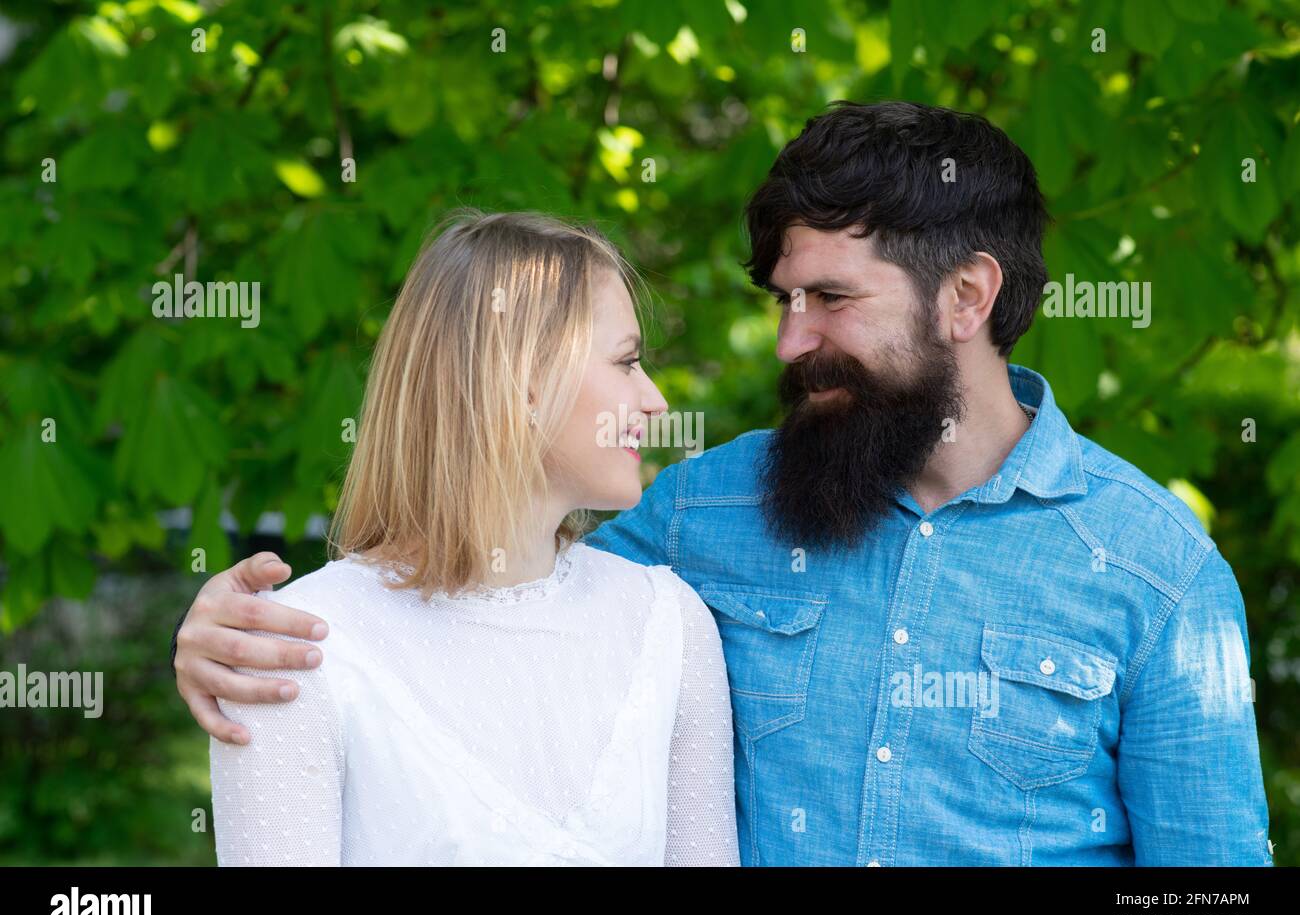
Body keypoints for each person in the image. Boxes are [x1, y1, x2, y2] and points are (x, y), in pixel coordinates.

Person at [178, 101, 1271, 866]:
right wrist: (227, 635)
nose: (793, 344)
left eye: (832, 300)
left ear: (966, 297)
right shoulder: (700, 516)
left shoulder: (1155, 573)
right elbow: (474, 605)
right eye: (782, 301)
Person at [202, 209, 739, 865]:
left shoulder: (669, 623)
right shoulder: (301, 646)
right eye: (626, 361)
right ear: (522, 380)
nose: (655, 400)